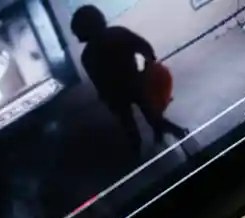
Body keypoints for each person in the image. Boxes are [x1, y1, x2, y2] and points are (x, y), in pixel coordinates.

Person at [70, 6, 189, 154]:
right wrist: (149, 65)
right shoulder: (117, 33)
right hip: (136, 82)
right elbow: (144, 46)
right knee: (152, 115)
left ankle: (138, 150)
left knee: (129, 124)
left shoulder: (87, 56)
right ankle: (174, 132)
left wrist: (107, 99)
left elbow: (99, 83)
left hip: (117, 94)